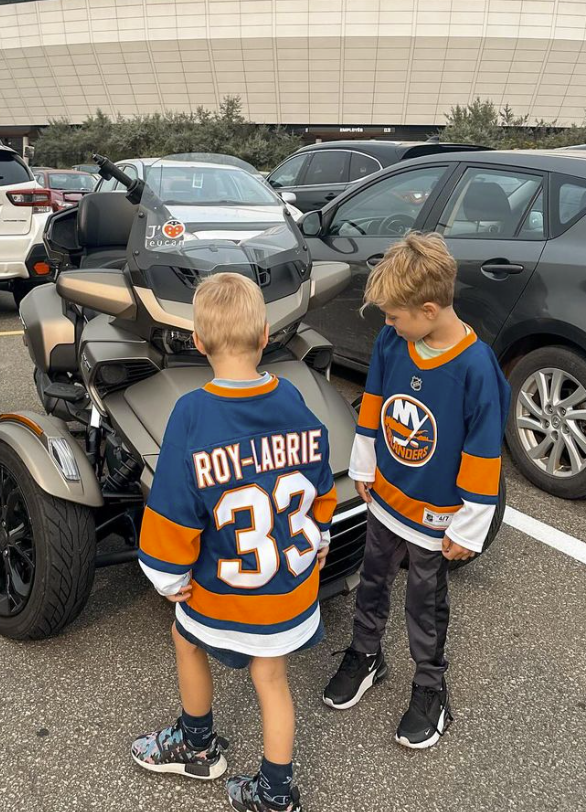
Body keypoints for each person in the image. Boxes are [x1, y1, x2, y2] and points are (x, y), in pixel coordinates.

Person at [132, 271, 337, 812]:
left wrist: (168, 576)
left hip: (227, 590)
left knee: (186, 639)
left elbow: (174, 508)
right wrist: (320, 534)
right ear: (266, 334)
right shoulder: (291, 396)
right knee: (271, 676)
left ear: (198, 342)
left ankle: (197, 745)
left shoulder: (193, 412)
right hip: (287, 587)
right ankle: (276, 792)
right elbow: (319, 479)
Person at [323, 232, 509, 749]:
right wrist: (364, 464)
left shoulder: (475, 367)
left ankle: (430, 686)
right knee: (373, 579)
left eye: (394, 316)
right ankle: (366, 654)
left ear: (429, 310)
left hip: (435, 513)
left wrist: (470, 526)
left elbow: (483, 451)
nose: (388, 324)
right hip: (387, 497)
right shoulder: (393, 342)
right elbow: (374, 400)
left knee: (424, 602)